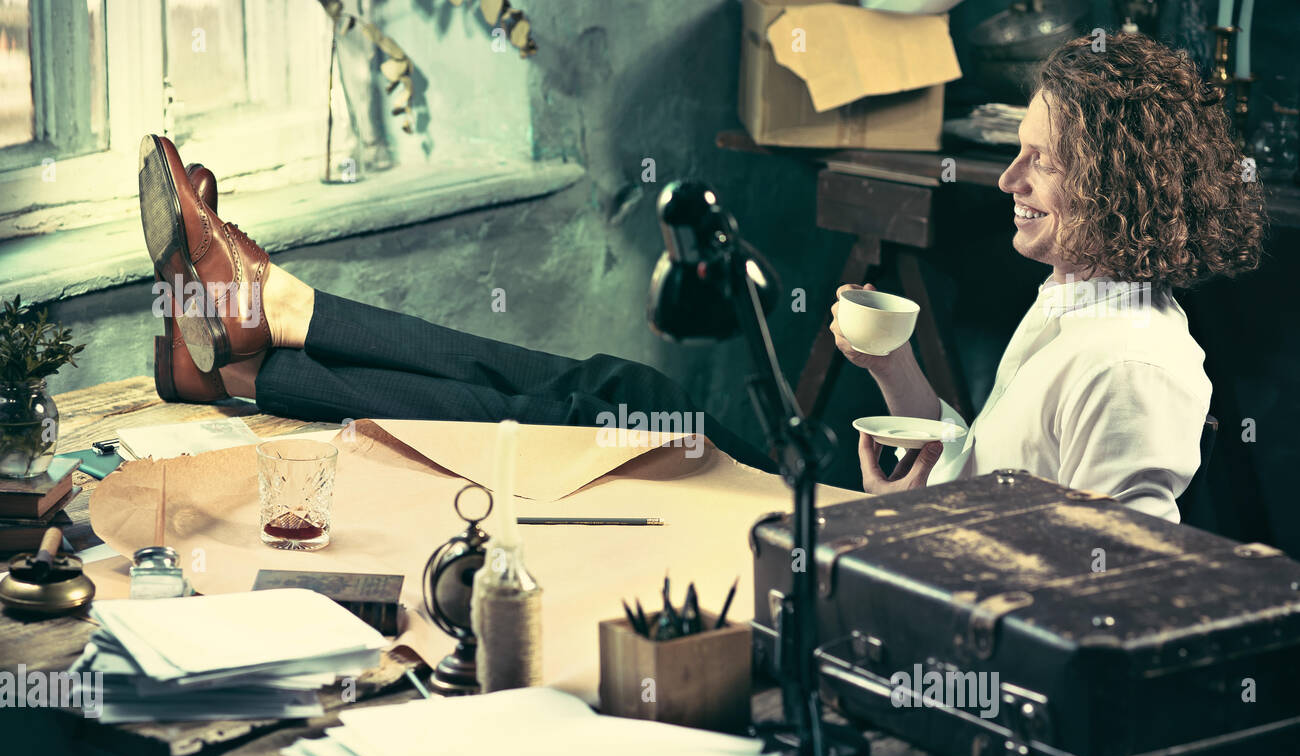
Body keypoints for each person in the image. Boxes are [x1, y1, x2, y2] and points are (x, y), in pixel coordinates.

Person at [138, 138, 775, 473]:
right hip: (799, 474)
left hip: (802, 504)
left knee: (553, 420)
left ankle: (251, 339)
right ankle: (253, 337)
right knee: (628, 385)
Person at [831, 32, 1265, 522]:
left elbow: (1107, 577)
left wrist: (914, 522)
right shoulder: (1072, 294)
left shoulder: (1129, 368)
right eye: (1020, 151)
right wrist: (891, 361)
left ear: (1115, 182)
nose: (1009, 180)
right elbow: (971, 464)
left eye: (1045, 160)